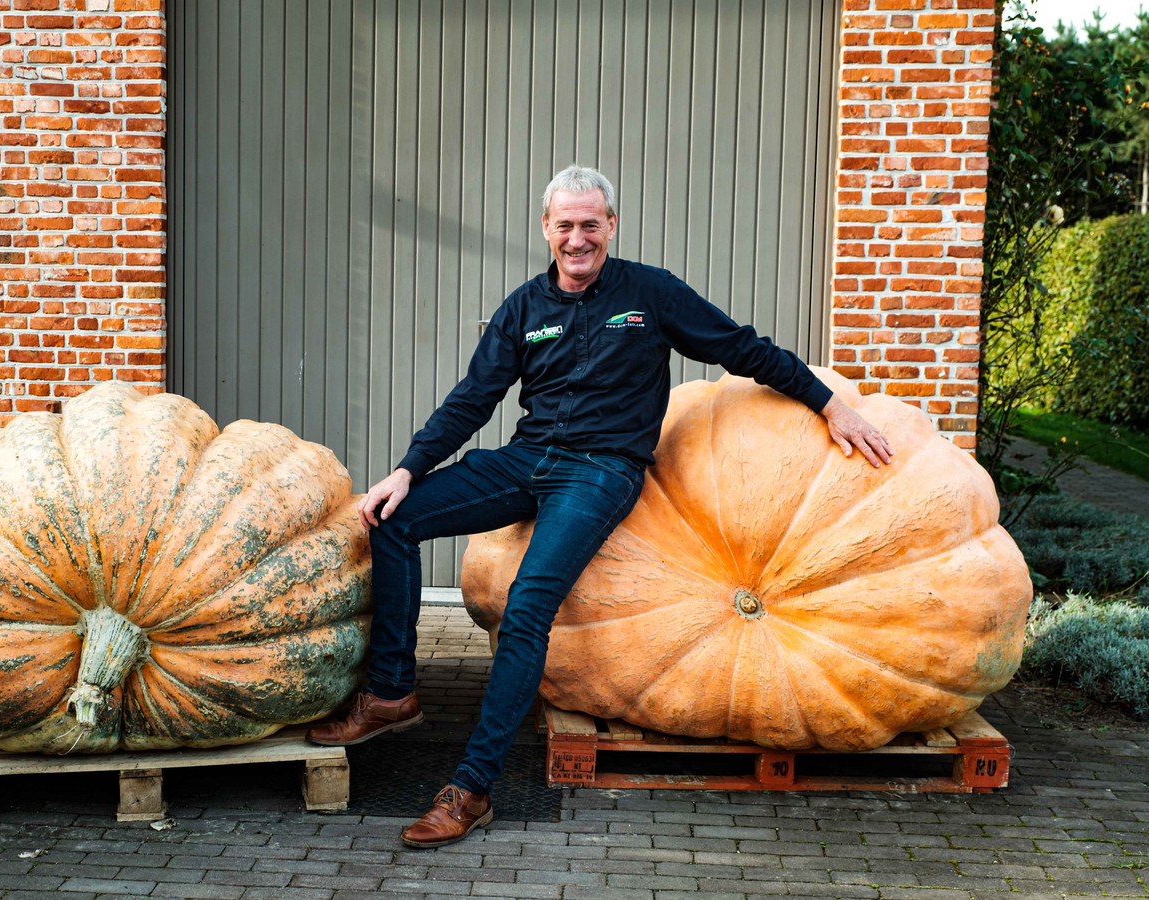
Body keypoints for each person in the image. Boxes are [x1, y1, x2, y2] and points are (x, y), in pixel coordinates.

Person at [307, 165, 892, 847]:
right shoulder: (525, 308)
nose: (578, 237)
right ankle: (391, 692)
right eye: (565, 225)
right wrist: (408, 469)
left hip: (602, 472)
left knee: (528, 607)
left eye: (591, 224)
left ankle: (471, 789)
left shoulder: (650, 294)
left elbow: (741, 349)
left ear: (610, 225)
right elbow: (473, 399)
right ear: (547, 229)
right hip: (529, 458)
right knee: (395, 519)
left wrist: (830, 404)